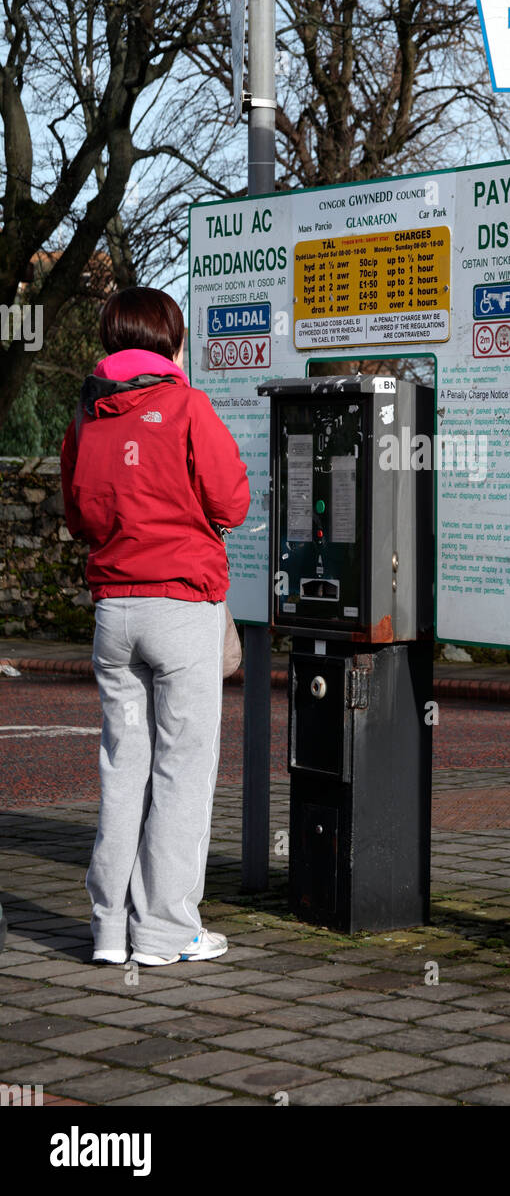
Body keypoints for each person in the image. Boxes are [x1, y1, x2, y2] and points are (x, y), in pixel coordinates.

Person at [60, 286, 250, 966]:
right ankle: (168, 932)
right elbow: (232, 500)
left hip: (115, 612)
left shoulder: (87, 414)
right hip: (180, 608)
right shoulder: (187, 404)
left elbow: (79, 514)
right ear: (170, 340)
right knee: (181, 772)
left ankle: (110, 929)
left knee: (123, 769)